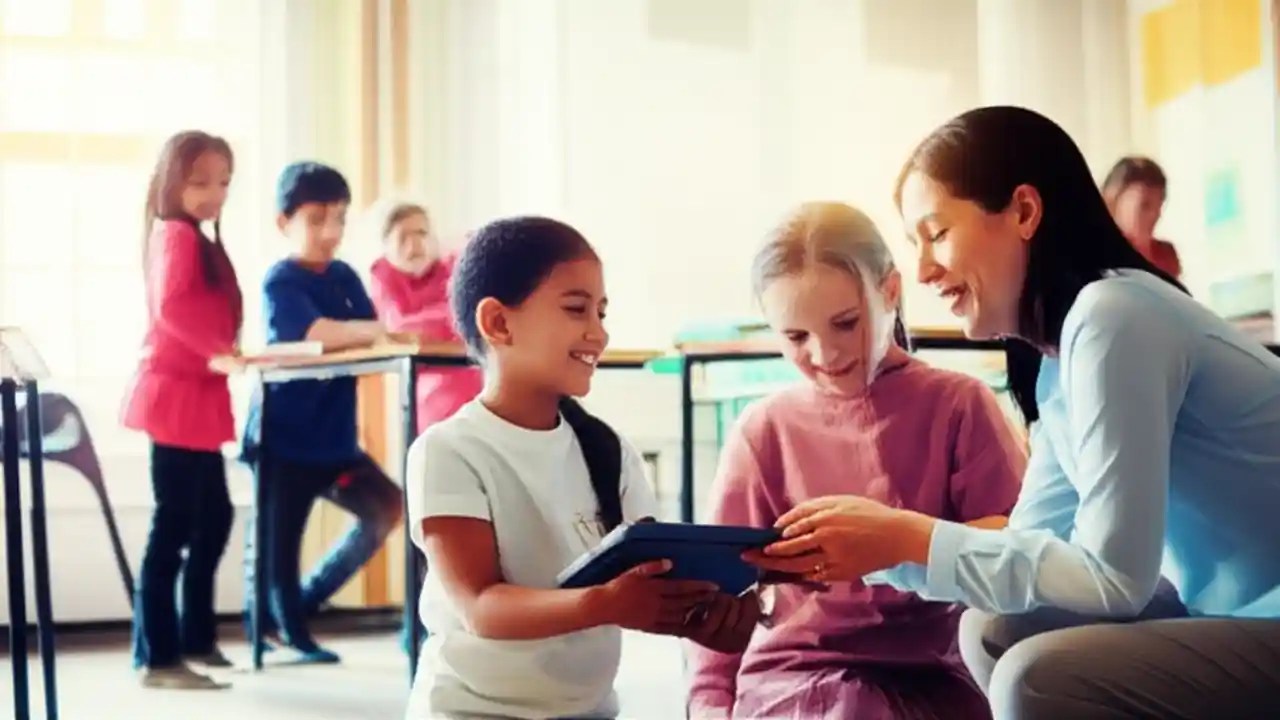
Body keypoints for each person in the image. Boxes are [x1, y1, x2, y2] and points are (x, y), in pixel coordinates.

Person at [746, 106, 1280, 719]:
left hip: (1266, 609)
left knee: (1036, 678)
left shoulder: (1115, 315)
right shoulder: (1058, 363)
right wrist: (885, 548)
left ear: (1024, 212)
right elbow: (1036, 542)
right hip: (1228, 607)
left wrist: (905, 536)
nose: (923, 270)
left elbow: (1113, 579)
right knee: (992, 628)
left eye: (936, 233)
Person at [403, 216, 759, 719]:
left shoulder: (609, 451)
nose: (599, 332)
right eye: (576, 309)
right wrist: (605, 604)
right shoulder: (449, 451)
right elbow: (481, 606)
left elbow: (649, 586)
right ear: (498, 323)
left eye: (601, 312)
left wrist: (709, 617)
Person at [687, 202, 1025, 719]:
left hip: (936, 675)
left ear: (890, 292)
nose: (825, 355)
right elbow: (719, 589)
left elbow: (1019, 549)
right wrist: (708, 701)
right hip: (793, 679)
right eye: (796, 337)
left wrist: (900, 542)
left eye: (846, 323)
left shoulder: (960, 405)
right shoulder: (764, 429)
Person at [241, 161, 404, 664]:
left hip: (334, 443)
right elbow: (315, 334)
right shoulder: (280, 280)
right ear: (284, 223)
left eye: (339, 219)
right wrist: (354, 331)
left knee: (387, 507)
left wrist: (353, 331)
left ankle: (304, 604)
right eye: (316, 220)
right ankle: (284, 631)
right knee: (278, 543)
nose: (331, 232)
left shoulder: (344, 276)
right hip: (283, 439)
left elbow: (372, 329)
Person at [121, 131, 241, 689]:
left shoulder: (193, 236)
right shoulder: (175, 234)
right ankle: (160, 658)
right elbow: (173, 308)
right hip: (177, 398)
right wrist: (219, 350)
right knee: (173, 526)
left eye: (223, 183)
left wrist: (224, 350)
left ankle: (194, 638)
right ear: (172, 183)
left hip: (198, 397)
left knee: (212, 517)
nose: (214, 194)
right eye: (200, 183)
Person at [367, 199, 483, 435]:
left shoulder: (452, 267)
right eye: (403, 237)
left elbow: (468, 312)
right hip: (424, 382)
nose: (415, 244)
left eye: (422, 233)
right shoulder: (383, 276)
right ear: (386, 245)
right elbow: (396, 327)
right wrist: (443, 323)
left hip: (472, 372)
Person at [1101, 155, 1181, 279]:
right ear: (1114, 202)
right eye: (1145, 206)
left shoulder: (1166, 255)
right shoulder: (1100, 255)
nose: (1155, 215)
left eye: (1159, 205)